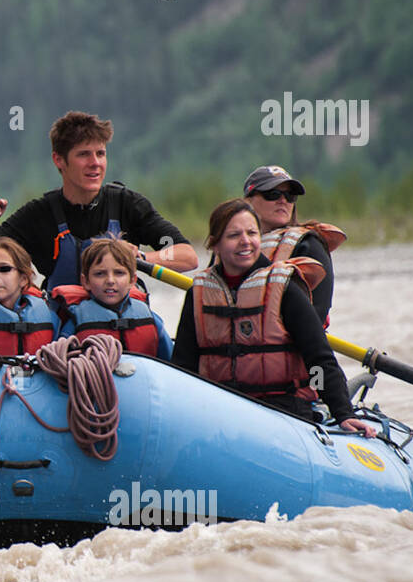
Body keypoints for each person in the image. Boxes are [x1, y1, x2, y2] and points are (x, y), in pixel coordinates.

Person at [171, 199, 375, 436]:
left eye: (251, 233)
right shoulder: (198, 293)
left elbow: (319, 358)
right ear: (215, 245)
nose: (245, 241)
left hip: (284, 411)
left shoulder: (285, 287)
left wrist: (343, 414)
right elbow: (183, 365)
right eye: (234, 235)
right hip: (220, 411)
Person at [0, 111, 197, 292]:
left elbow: (188, 257)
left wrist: (138, 257)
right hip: (63, 334)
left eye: (100, 154)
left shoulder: (127, 204)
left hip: (119, 330)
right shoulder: (39, 214)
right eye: (84, 155)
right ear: (58, 160)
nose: (95, 163)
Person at [243, 165, 346, 328]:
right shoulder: (229, 247)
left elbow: (317, 312)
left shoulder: (309, 246)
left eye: (290, 196)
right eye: (273, 194)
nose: (283, 200)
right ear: (248, 201)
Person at [53, 239, 173, 359]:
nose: (110, 280)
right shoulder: (76, 319)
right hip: (93, 376)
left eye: (119, 273)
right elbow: (59, 361)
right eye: (100, 274)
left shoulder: (150, 318)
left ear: (132, 281)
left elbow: (172, 364)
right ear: (86, 282)